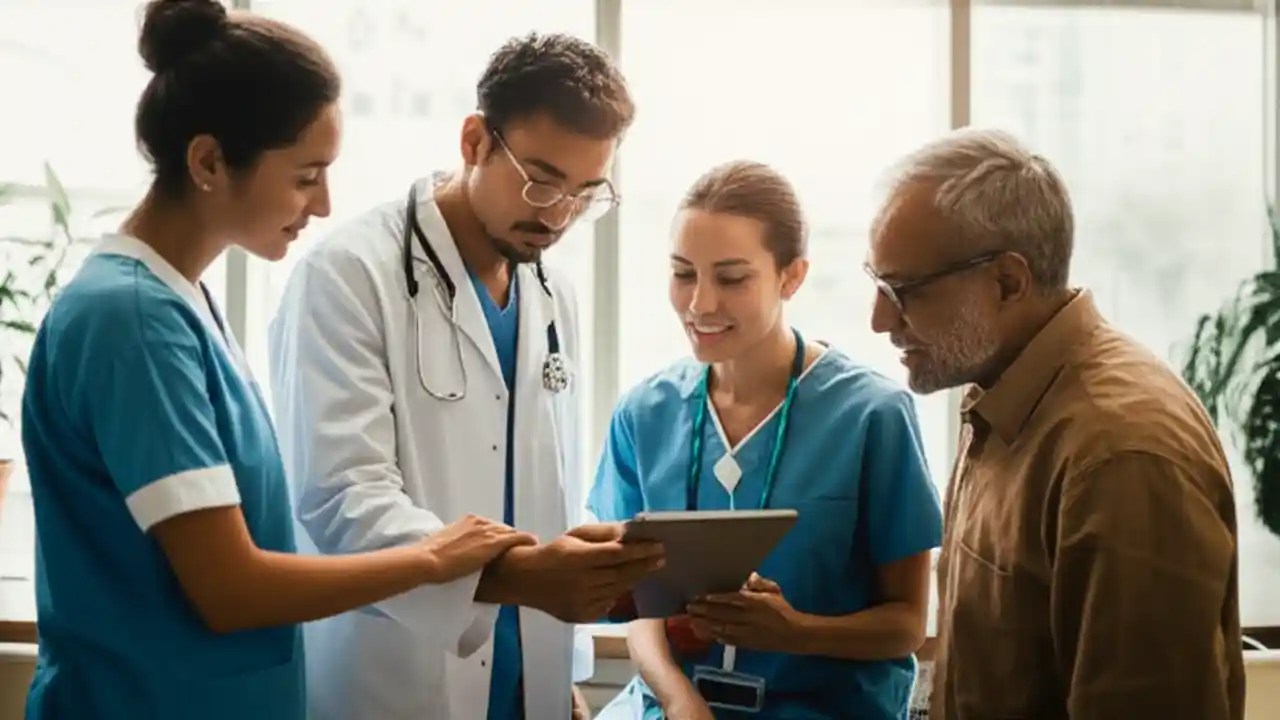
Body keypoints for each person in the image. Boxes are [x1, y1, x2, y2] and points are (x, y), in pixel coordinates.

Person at [19, 2, 540, 719]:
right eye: (304, 176)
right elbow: (232, 588)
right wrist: (432, 559)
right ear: (208, 161)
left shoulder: (179, 303)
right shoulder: (131, 319)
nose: (323, 205)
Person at [267, 31, 663, 720]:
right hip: (394, 683)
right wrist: (521, 579)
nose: (557, 215)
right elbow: (340, 500)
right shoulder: (349, 275)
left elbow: (545, 486)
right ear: (474, 140)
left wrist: (555, 662)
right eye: (541, 180)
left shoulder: (551, 294)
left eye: (584, 194)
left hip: (524, 683)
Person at [865, 127, 1245, 720]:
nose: (879, 319)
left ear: (1008, 282)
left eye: (903, 290)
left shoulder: (1122, 455)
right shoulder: (1002, 390)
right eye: (877, 284)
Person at [589, 160, 944, 719]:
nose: (700, 304)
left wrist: (797, 632)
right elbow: (641, 610)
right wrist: (681, 701)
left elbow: (903, 626)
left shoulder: (871, 416)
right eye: (683, 274)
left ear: (791, 276)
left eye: (731, 278)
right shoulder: (644, 414)